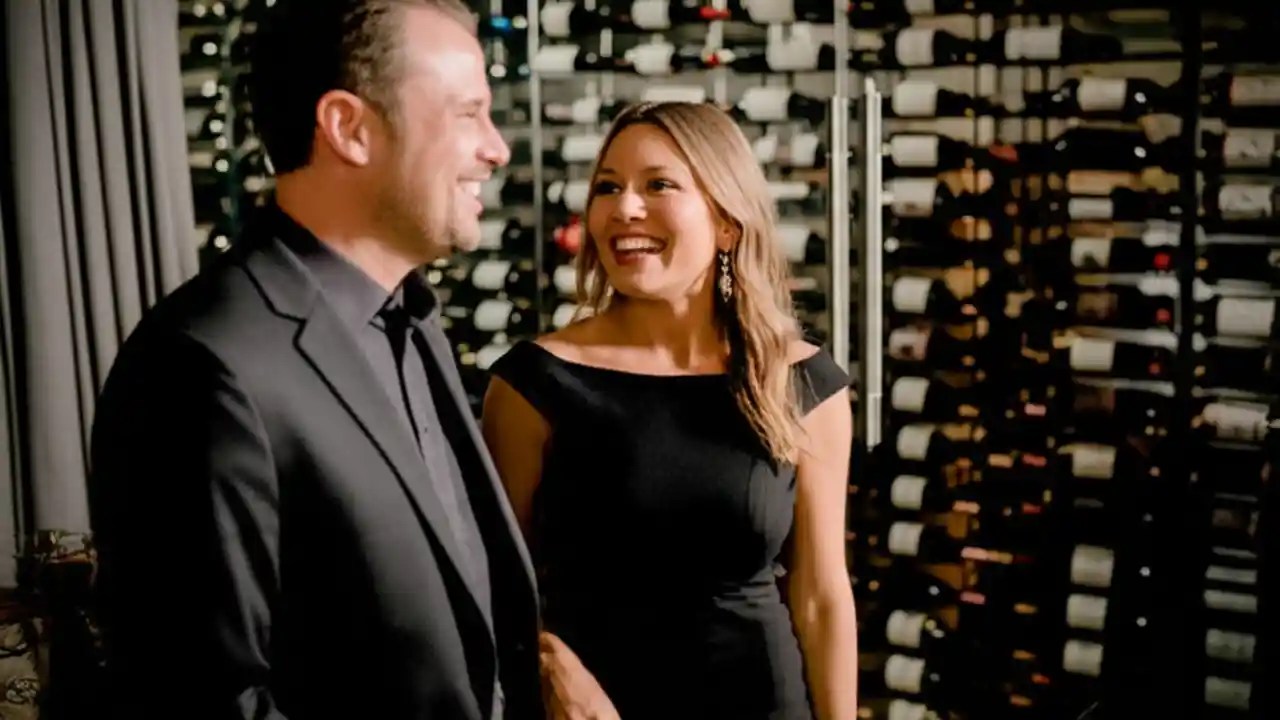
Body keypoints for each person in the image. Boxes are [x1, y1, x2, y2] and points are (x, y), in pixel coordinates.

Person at [87, 1, 543, 717]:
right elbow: (202, 699)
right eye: (468, 114)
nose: (497, 148)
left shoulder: (412, 319)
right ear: (348, 128)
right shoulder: (201, 366)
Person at [481, 101, 860, 720]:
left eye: (658, 185)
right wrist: (549, 669)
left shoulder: (801, 381)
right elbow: (494, 585)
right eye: (608, 187)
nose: (625, 208)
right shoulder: (534, 384)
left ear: (727, 223)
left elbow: (821, 596)